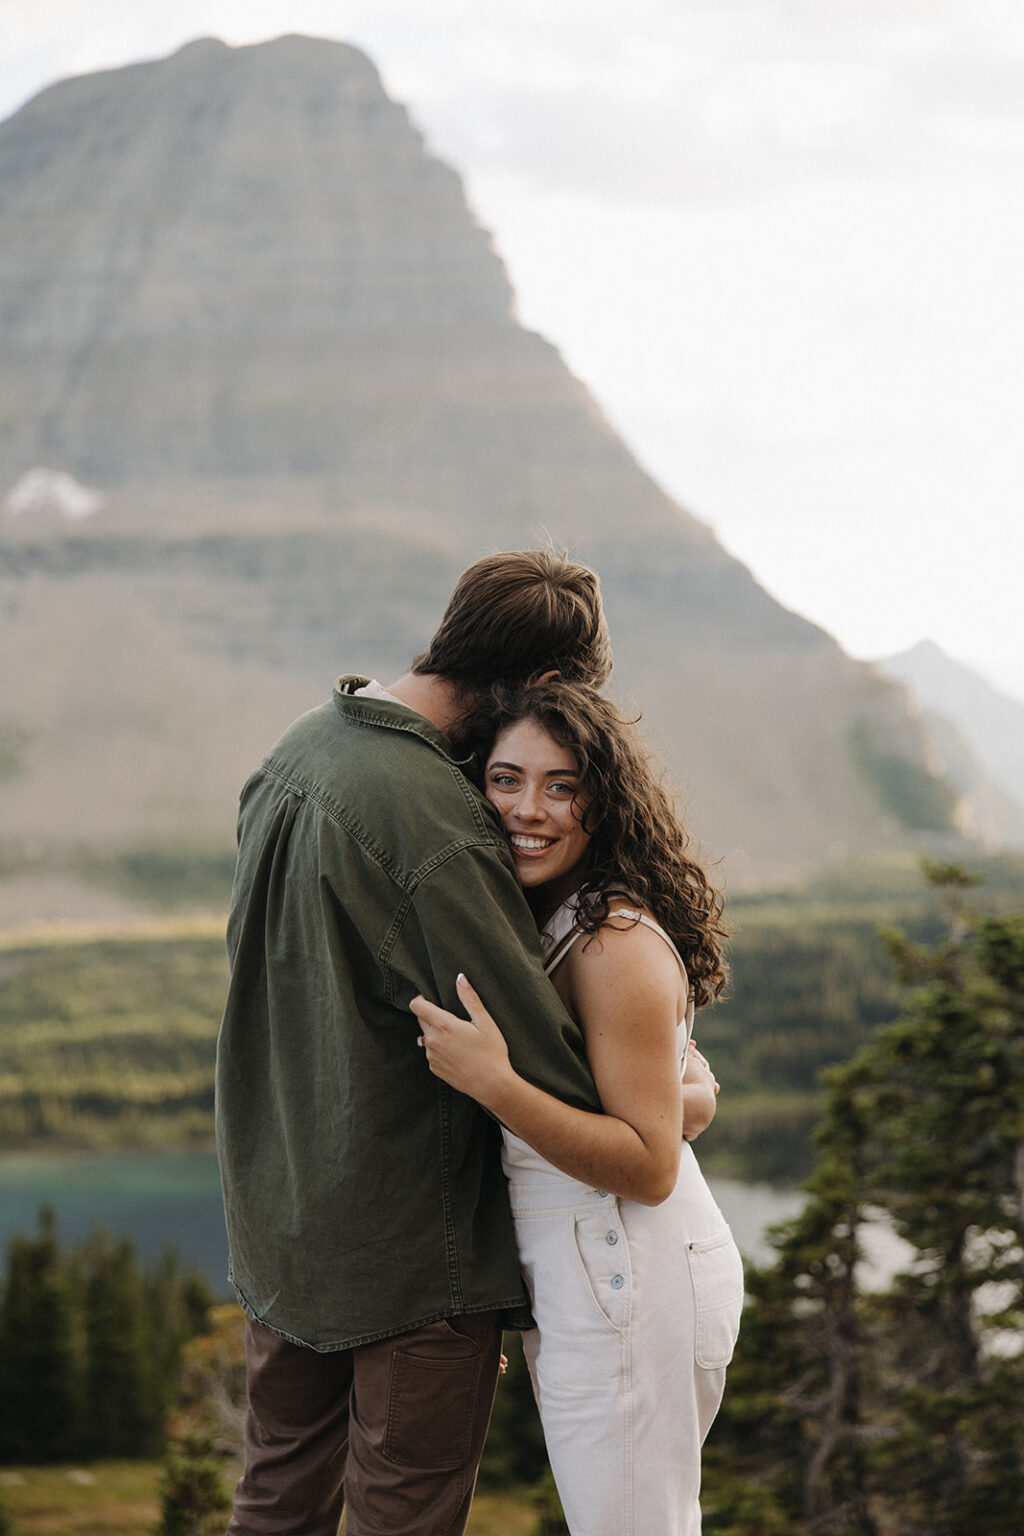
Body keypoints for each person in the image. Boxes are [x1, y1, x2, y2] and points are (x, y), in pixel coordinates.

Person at [215, 550, 617, 1536]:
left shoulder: (299, 748)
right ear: (549, 683)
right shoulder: (431, 817)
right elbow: (546, 1064)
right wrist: (677, 1093)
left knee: (274, 1502)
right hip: (410, 1256)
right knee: (403, 1518)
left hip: (284, 1223)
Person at [412, 681, 744, 1536]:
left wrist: (494, 1083)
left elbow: (646, 1166)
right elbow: (662, 1088)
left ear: (606, 802)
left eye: (563, 786)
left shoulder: (612, 941)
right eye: (506, 780)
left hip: (629, 1266)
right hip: (599, 1272)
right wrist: (687, 1095)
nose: (530, 809)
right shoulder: (553, 915)